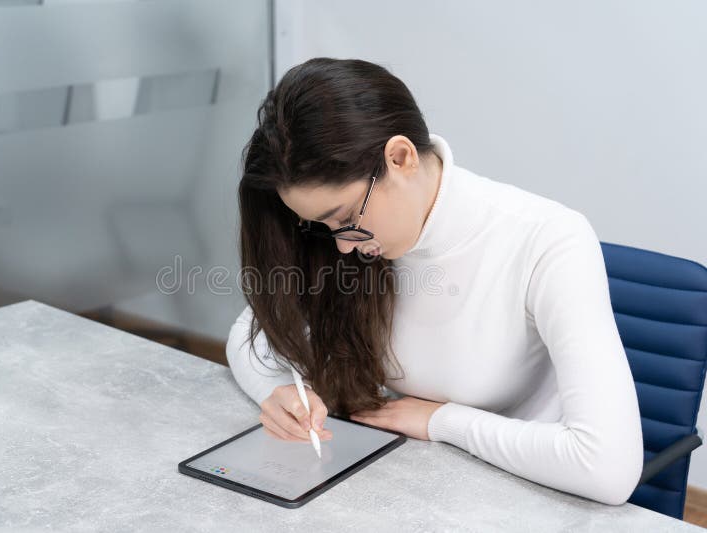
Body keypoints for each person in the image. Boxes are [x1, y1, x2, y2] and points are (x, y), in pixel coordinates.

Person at [226, 57, 643, 505]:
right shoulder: (357, 245)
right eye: (324, 227)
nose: (342, 246)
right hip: (411, 488)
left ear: (400, 158)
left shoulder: (547, 239)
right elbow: (250, 335)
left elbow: (608, 469)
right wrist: (280, 393)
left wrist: (441, 420)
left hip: (530, 497)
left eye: (345, 218)